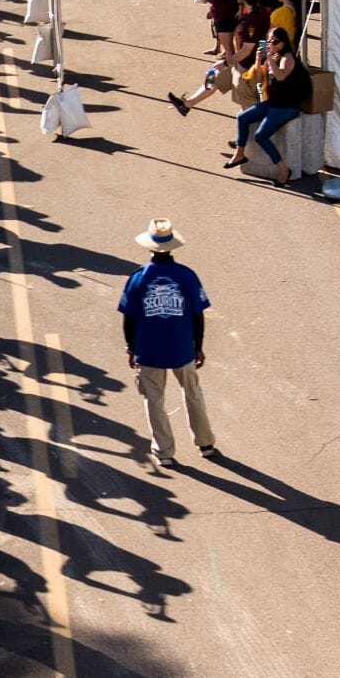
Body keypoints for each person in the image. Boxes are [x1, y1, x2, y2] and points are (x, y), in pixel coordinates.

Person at [120, 219, 217, 474]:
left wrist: (131, 348)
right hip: (182, 347)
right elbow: (197, 315)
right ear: (172, 246)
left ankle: (164, 451)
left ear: (149, 247)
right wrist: (198, 346)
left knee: (154, 400)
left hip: (149, 350)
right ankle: (205, 442)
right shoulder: (186, 275)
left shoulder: (138, 278)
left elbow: (129, 318)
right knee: (192, 393)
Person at [228, 25, 310, 182]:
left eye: (275, 41)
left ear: (283, 42)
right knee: (242, 118)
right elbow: (259, 80)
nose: (271, 44)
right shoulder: (271, 57)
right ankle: (239, 154)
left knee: (261, 136)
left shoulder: (287, 58)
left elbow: (280, 76)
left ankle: (283, 169)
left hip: (287, 106)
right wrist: (259, 60)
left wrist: (270, 60)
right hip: (273, 102)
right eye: (268, 41)